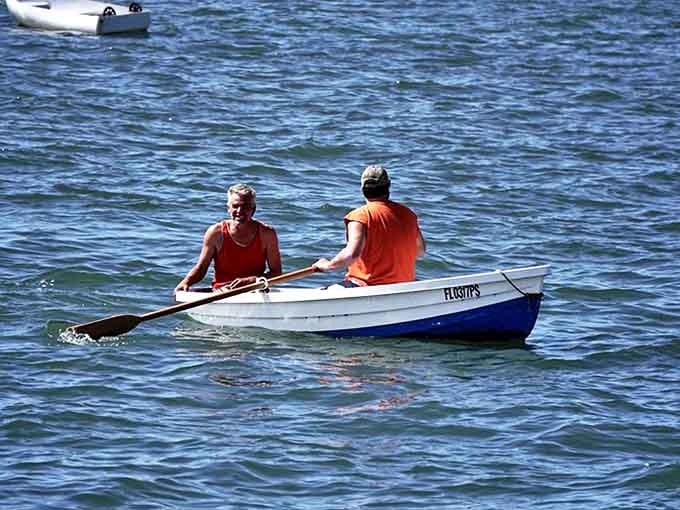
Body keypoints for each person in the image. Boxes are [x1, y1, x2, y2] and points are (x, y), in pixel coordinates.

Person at [313, 165, 426, 286]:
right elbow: (420, 251)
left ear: (362, 189)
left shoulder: (360, 216)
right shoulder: (408, 215)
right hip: (402, 287)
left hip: (367, 287)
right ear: (388, 186)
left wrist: (327, 265)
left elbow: (352, 254)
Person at [174, 183, 282, 293]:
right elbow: (201, 268)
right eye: (235, 206)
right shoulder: (215, 233)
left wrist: (254, 280)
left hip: (256, 290)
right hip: (222, 292)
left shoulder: (267, 234)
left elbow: (277, 273)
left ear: (253, 209)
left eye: (245, 207)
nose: (239, 211)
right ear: (228, 208)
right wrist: (186, 282)